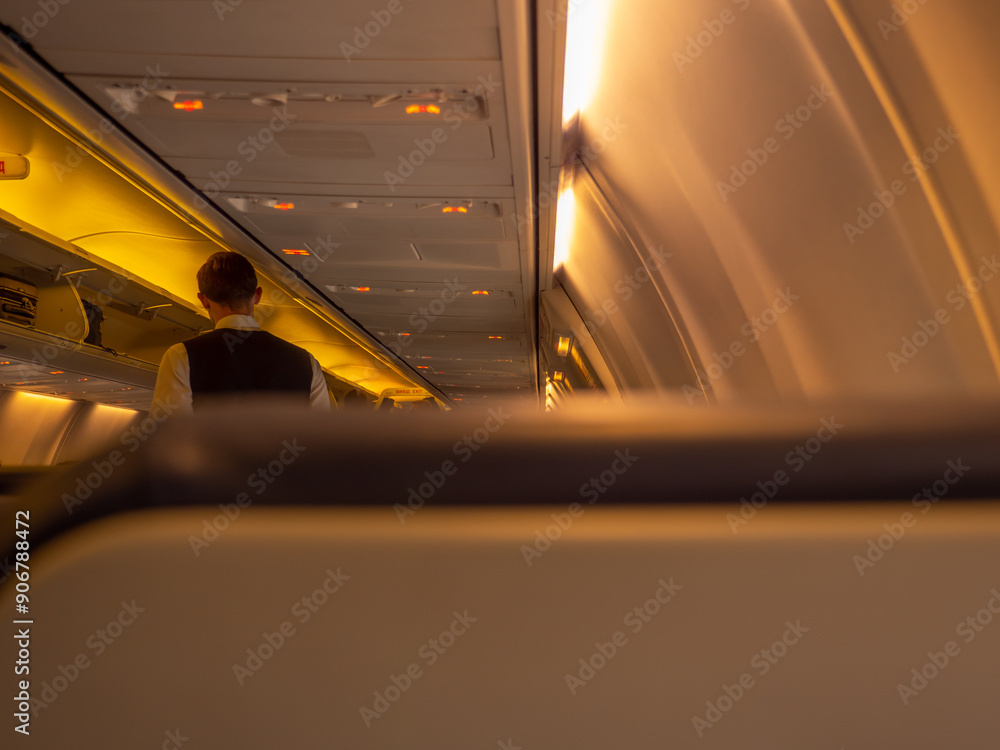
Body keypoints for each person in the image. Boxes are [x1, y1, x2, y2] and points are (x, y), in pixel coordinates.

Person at [152, 252, 331, 413]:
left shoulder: (182, 356)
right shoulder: (306, 363)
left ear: (203, 300)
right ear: (257, 295)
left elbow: (171, 437)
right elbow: (322, 440)